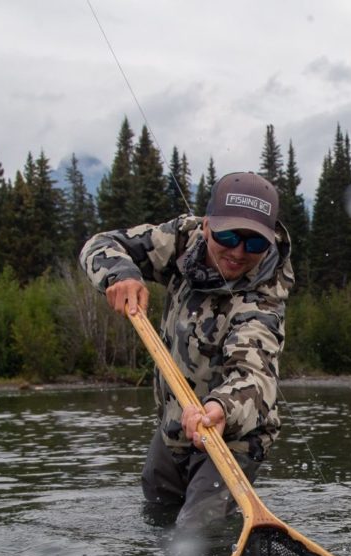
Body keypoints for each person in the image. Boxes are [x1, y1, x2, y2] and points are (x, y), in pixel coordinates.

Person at [79, 172, 293, 529]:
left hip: (234, 432)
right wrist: (120, 274)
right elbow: (99, 244)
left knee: (195, 537)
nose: (238, 253)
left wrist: (219, 409)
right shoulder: (179, 240)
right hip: (175, 422)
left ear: (268, 243)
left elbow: (255, 377)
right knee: (157, 516)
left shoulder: (264, 301)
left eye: (254, 244)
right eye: (228, 237)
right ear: (207, 225)